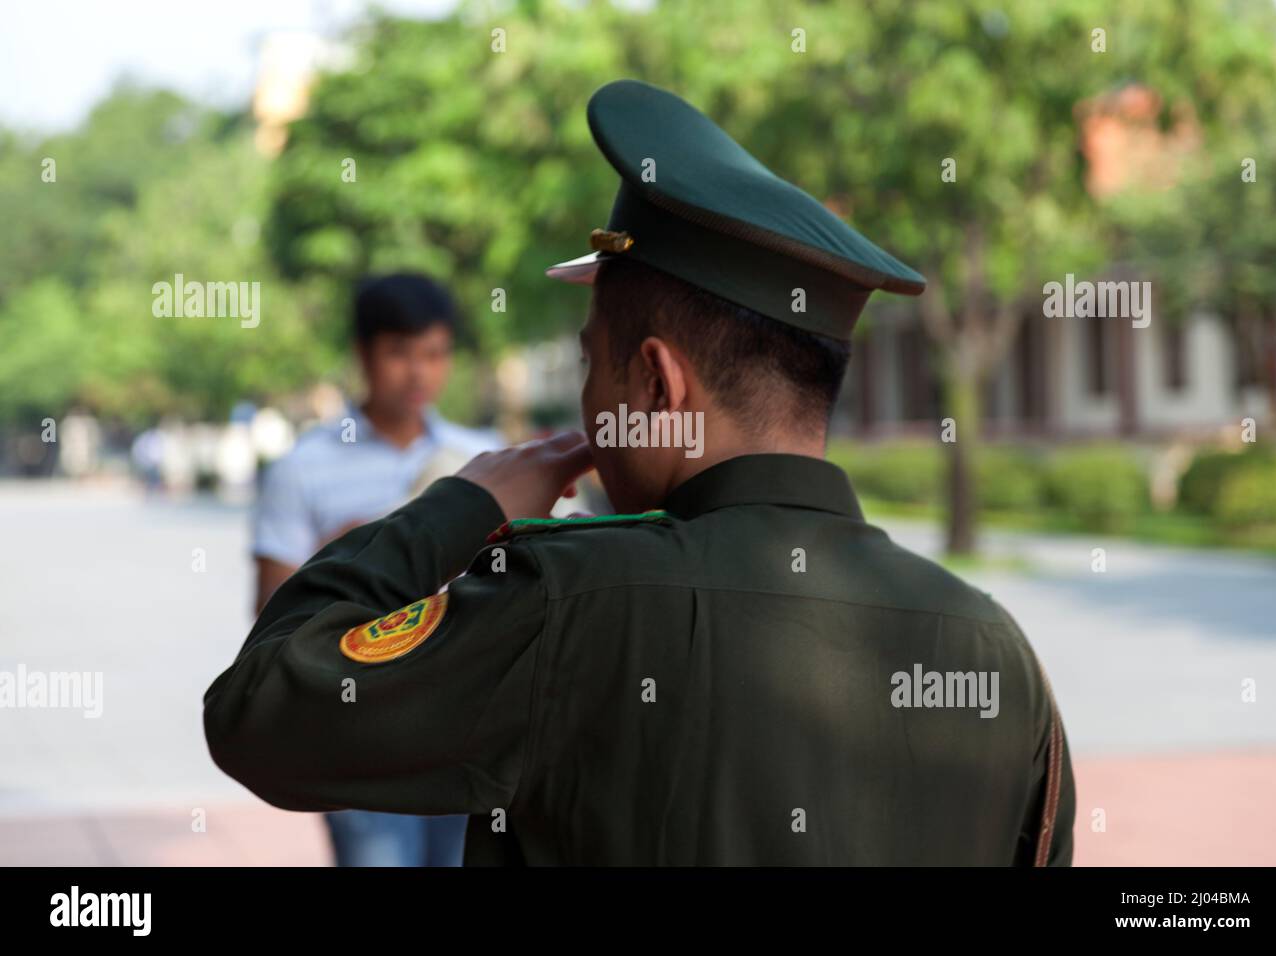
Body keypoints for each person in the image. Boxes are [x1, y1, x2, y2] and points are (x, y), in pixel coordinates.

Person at [207, 79, 1074, 865]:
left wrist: (460, 507)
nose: (587, 403)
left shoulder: (569, 601)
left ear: (655, 383)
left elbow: (258, 713)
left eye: (594, 365)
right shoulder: (994, 649)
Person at [250, 272, 498, 866]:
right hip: (360, 732)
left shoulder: (482, 458)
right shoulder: (303, 468)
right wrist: (346, 553)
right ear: (363, 353)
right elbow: (270, 616)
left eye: (435, 354)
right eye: (399, 352)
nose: (419, 373)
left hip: (469, 723)